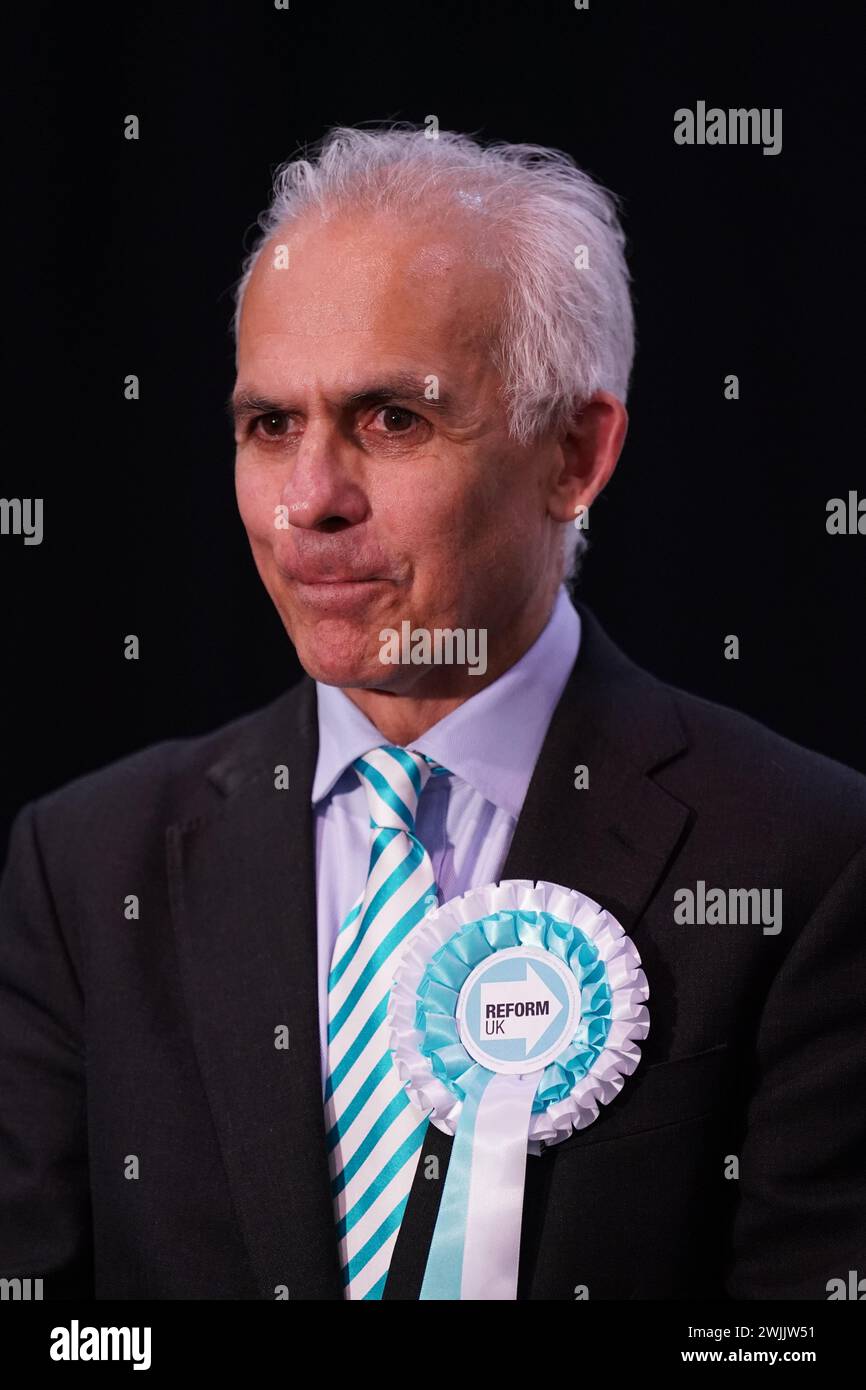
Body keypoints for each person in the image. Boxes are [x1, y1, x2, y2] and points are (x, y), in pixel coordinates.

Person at [1, 125, 864, 1301]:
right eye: (270, 426)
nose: (309, 502)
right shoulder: (86, 863)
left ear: (572, 452)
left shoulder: (808, 856)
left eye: (390, 420)